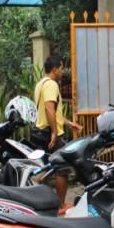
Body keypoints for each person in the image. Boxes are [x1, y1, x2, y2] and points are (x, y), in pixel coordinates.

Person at [32, 55, 83, 212]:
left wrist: (69, 123)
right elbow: (49, 109)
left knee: (45, 168)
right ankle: (61, 205)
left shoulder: (40, 84)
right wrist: (55, 132)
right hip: (50, 133)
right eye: (61, 68)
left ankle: (39, 199)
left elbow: (54, 112)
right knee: (62, 170)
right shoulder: (51, 85)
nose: (63, 71)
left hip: (40, 131)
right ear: (54, 69)